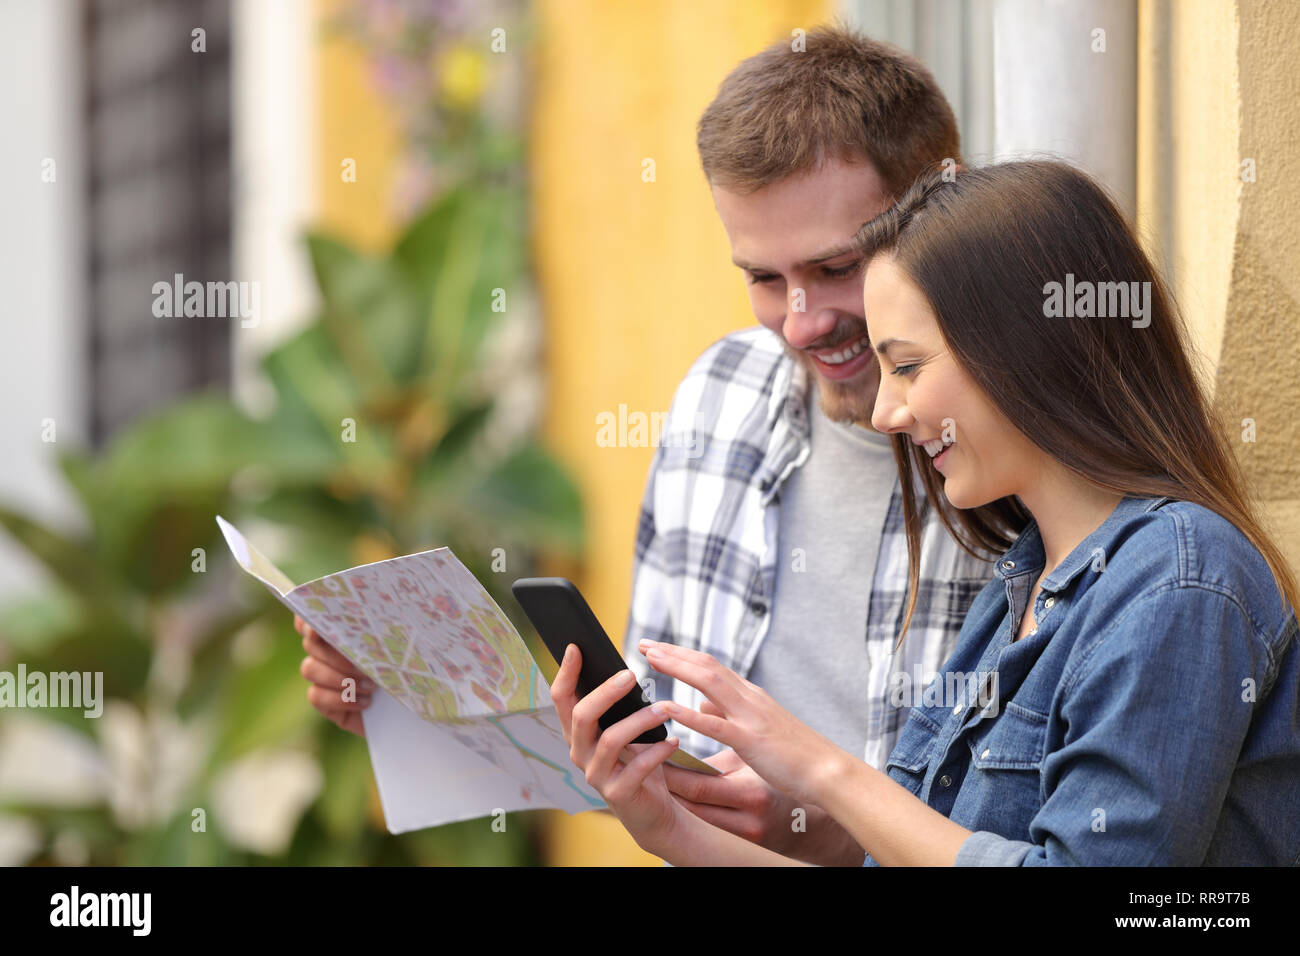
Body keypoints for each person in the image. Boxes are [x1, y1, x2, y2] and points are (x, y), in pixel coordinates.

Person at [296, 25, 1019, 866]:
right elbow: (646, 767)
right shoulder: (719, 397)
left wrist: (839, 825)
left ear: (942, 204)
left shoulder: (1017, 447)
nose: (802, 320)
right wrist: (415, 709)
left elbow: (1047, 832)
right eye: (761, 277)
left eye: (835, 267)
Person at [550, 160, 1300, 865]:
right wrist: (674, 832)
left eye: (906, 366)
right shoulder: (1020, 587)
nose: (885, 412)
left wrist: (822, 770)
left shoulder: (1181, 579)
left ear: (1026, 349)